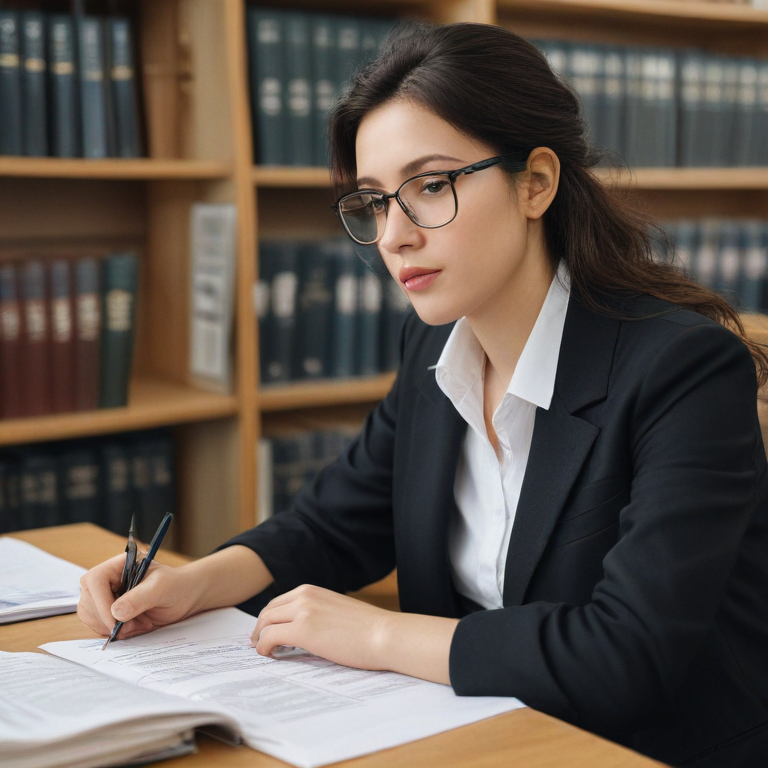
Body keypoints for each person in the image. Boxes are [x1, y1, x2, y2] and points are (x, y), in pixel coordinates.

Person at [78, 21, 768, 768]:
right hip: (480, 736)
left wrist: (376, 635)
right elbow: (334, 526)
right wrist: (190, 585)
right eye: (375, 202)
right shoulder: (435, 346)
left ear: (535, 182)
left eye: (430, 186)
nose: (394, 236)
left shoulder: (684, 369)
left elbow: (626, 653)